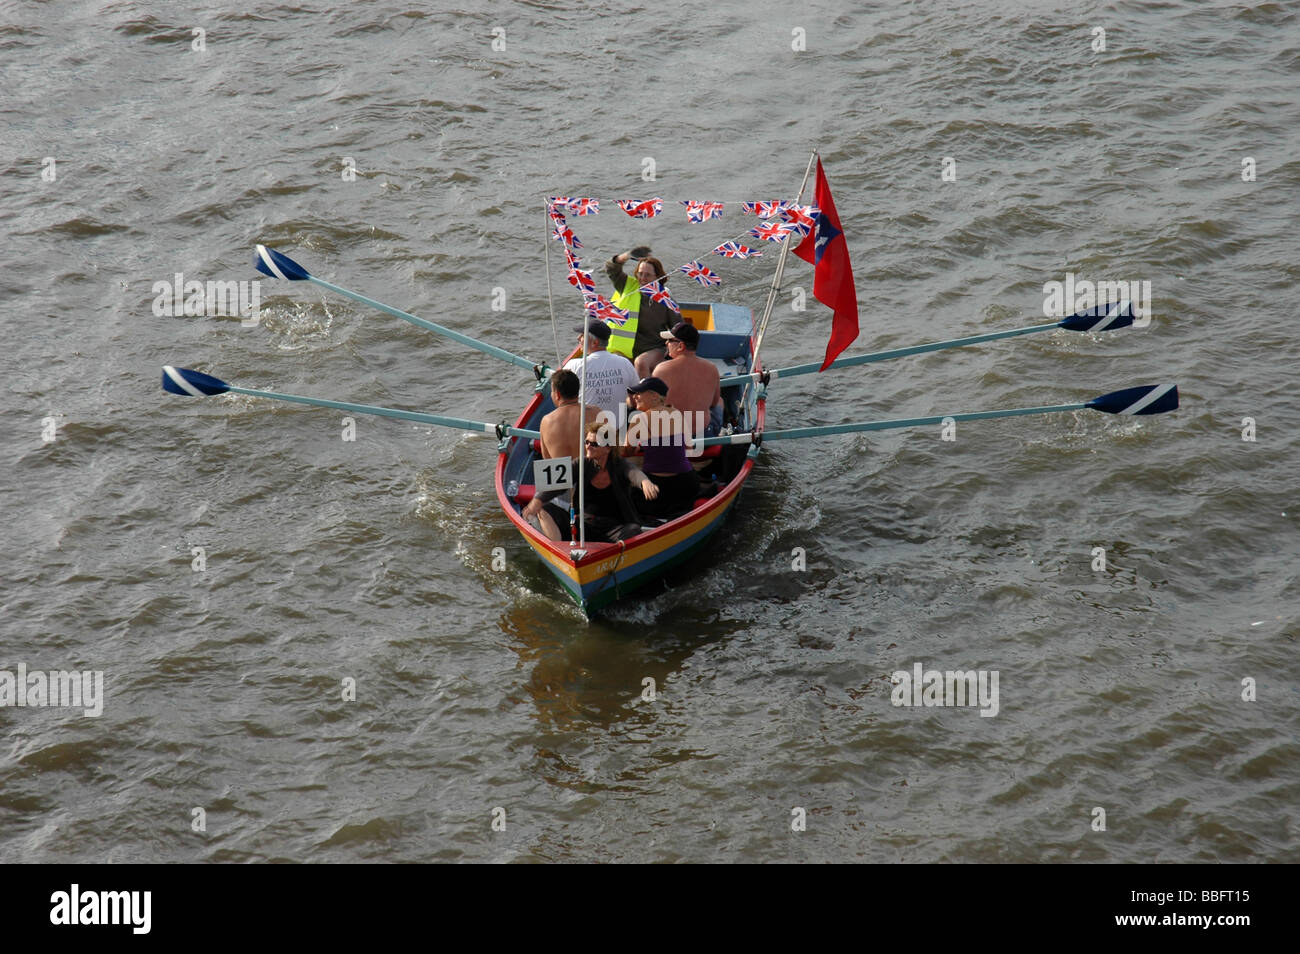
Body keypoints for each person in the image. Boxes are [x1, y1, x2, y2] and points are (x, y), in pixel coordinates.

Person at [522, 420, 658, 543]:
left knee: (633, 530)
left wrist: (645, 482)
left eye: (594, 444)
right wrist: (537, 501)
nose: (588, 446)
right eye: (586, 442)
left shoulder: (619, 465)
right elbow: (557, 484)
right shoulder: (582, 463)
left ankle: (611, 555)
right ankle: (560, 550)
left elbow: (633, 473)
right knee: (544, 509)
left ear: (608, 448)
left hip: (614, 529)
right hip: (583, 525)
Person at [624, 377, 700, 519]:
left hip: (655, 490)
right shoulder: (677, 413)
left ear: (655, 395)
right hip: (685, 485)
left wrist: (639, 447)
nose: (635, 396)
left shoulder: (639, 420)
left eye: (639, 392)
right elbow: (688, 447)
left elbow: (625, 452)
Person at [604, 247, 675, 378]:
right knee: (611, 362)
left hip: (654, 349)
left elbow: (677, 327)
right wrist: (626, 256)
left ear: (658, 277)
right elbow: (611, 268)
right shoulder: (627, 286)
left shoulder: (665, 298)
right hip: (626, 349)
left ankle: (645, 396)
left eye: (647, 275)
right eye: (640, 273)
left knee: (641, 363)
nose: (642, 278)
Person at [563, 320, 638, 433]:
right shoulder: (625, 363)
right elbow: (636, 397)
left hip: (586, 434)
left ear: (595, 342)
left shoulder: (574, 366)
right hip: (617, 432)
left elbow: (559, 396)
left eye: (582, 335)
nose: (578, 338)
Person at [653, 321, 723, 440]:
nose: (666, 343)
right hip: (702, 435)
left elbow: (652, 406)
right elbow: (714, 402)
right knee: (721, 401)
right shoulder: (712, 368)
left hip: (670, 437)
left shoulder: (661, 370)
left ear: (680, 346)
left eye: (670, 341)